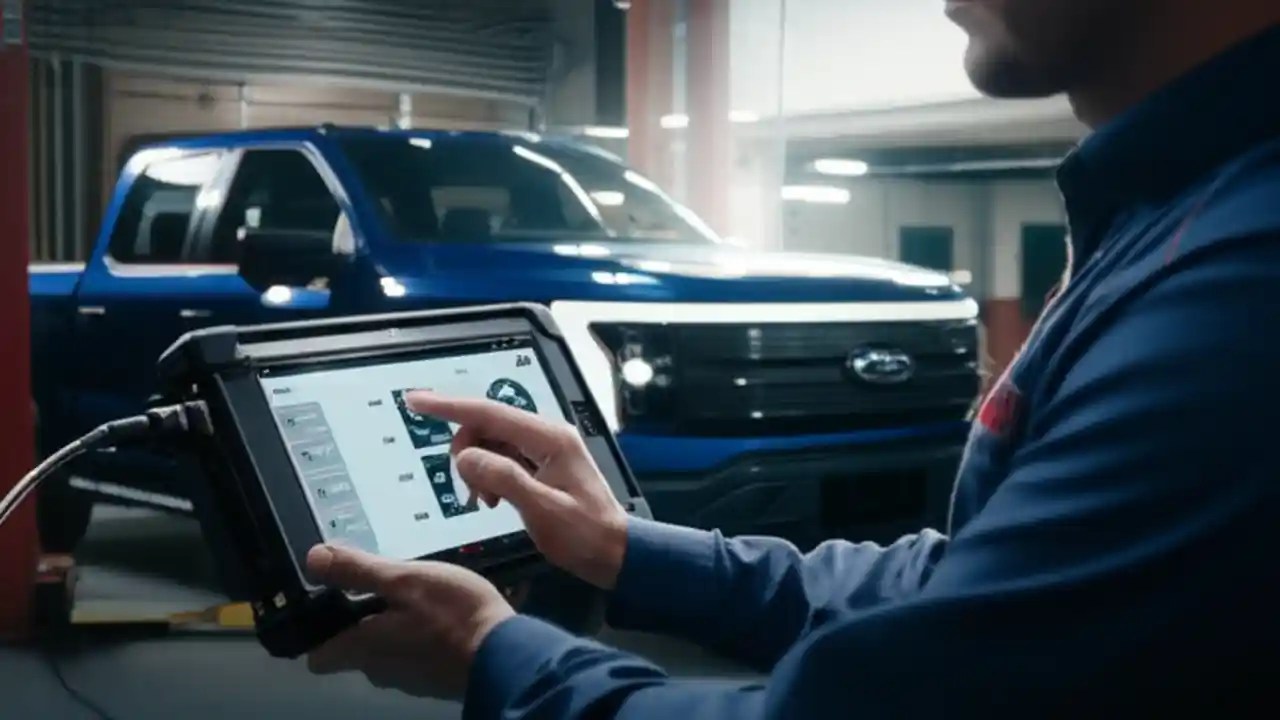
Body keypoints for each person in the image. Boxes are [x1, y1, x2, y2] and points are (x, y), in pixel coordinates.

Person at [304, 1, 1280, 716]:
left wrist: (493, 654)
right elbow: (981, 588)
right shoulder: (1182, 218)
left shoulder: (1235, 286)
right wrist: (624, 547)